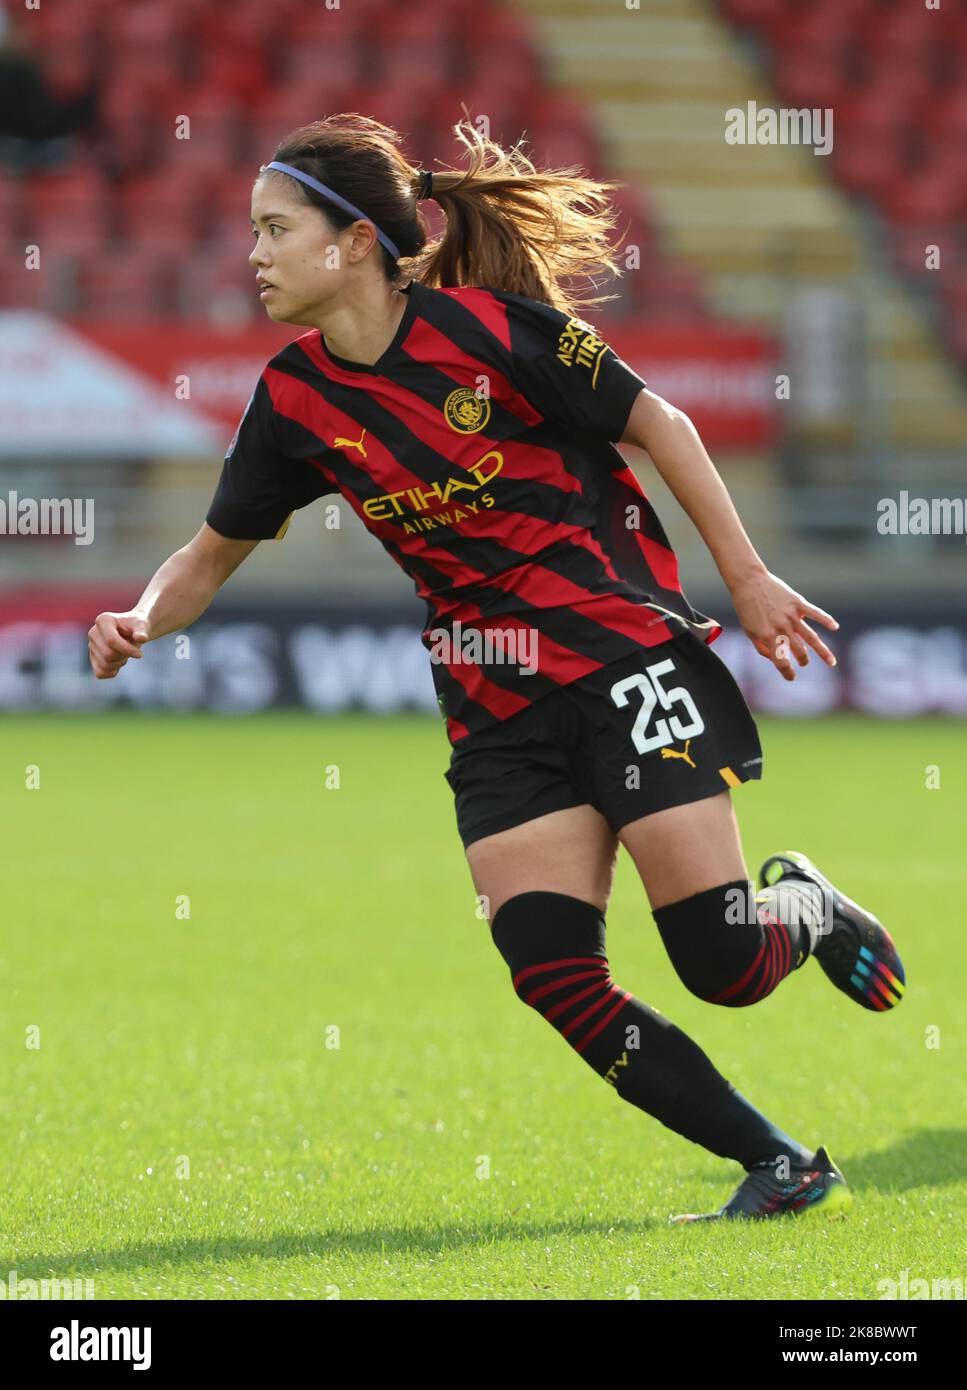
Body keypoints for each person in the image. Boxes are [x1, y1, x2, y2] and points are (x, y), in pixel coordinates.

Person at [88, 114, 906, 1222]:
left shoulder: (491, 331)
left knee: (723, 963)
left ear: (357, 243)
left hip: (619, 653)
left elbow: (658, 422)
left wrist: (747, 580)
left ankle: (801, 907)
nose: (256, 255)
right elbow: (208, 553)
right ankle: (780, 1162)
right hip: (490, 702)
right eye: (253, 233)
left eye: (276, 230)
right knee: (551, 972)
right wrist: (138, 615)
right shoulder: (292, 402)